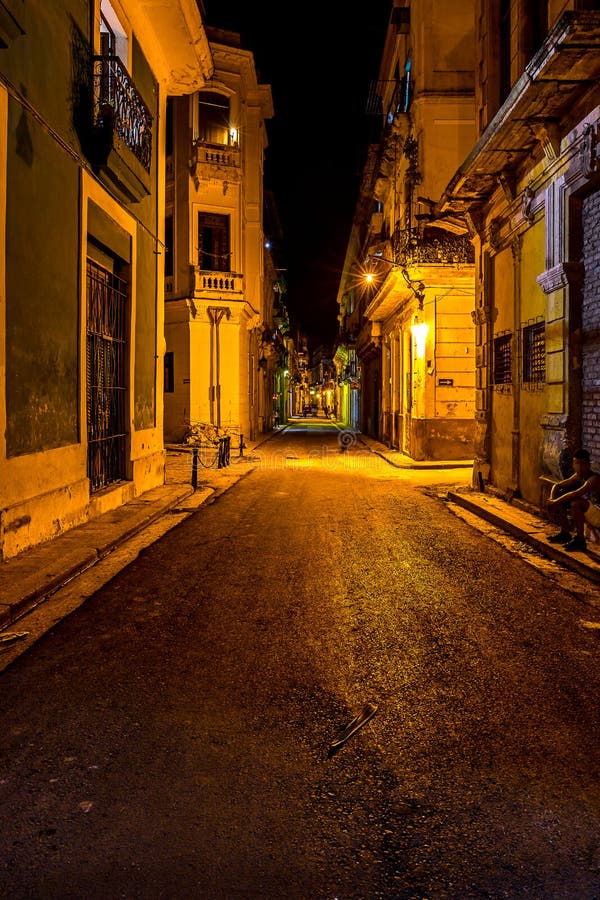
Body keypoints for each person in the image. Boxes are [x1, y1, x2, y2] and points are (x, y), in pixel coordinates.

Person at [546, 448, 600, 551]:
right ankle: (565, 533)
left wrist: (554, 503)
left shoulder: (594, 479)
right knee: (560, 494)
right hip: (591, 512)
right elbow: (557, 485)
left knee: (576, 503)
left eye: (582, 464)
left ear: (588, 465)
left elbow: (576, 493)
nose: (579, 467)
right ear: (573, 464)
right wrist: (552, 499)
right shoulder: (578, 476)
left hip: (598, 514)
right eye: (576, 463)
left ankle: (580, 540)